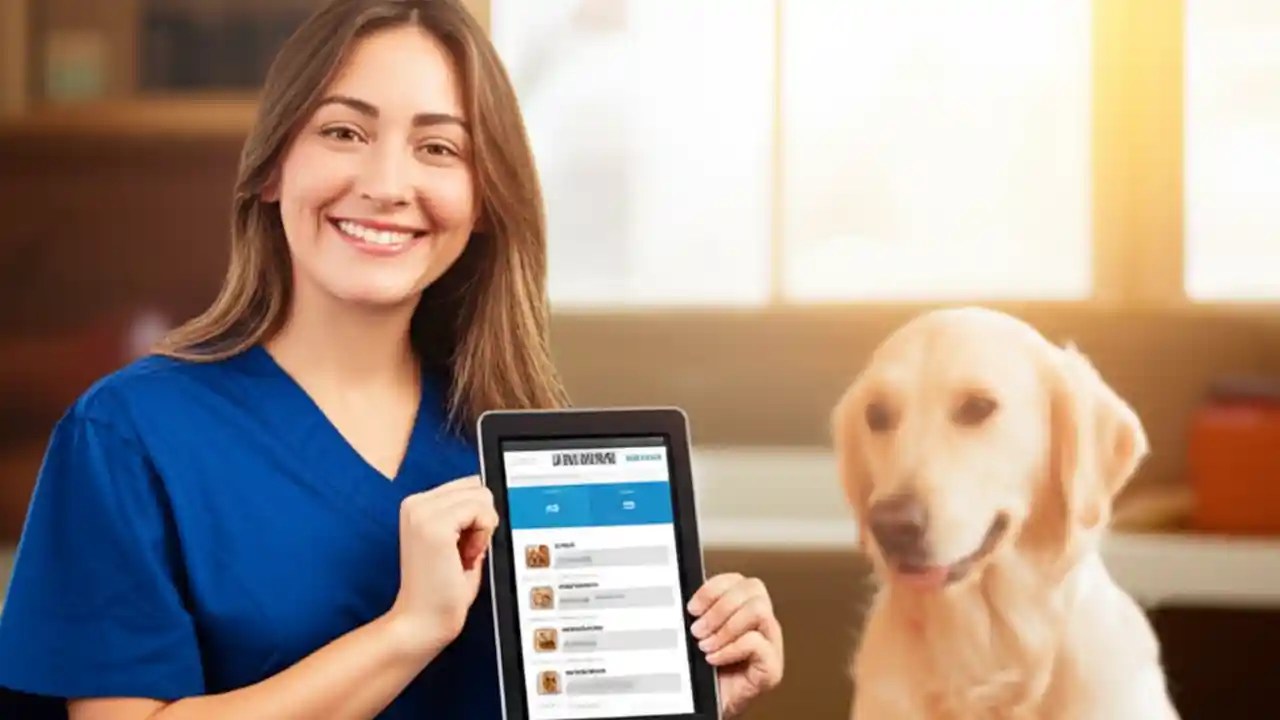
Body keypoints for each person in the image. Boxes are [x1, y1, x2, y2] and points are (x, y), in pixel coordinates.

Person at [0, 1, 784, 718]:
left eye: (438, 147)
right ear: (274, 165)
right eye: (344, 131)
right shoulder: (127, 436)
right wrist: (409, 630)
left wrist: (683, 692)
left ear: (482, 201)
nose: (386, 184)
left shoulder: (518, 448)